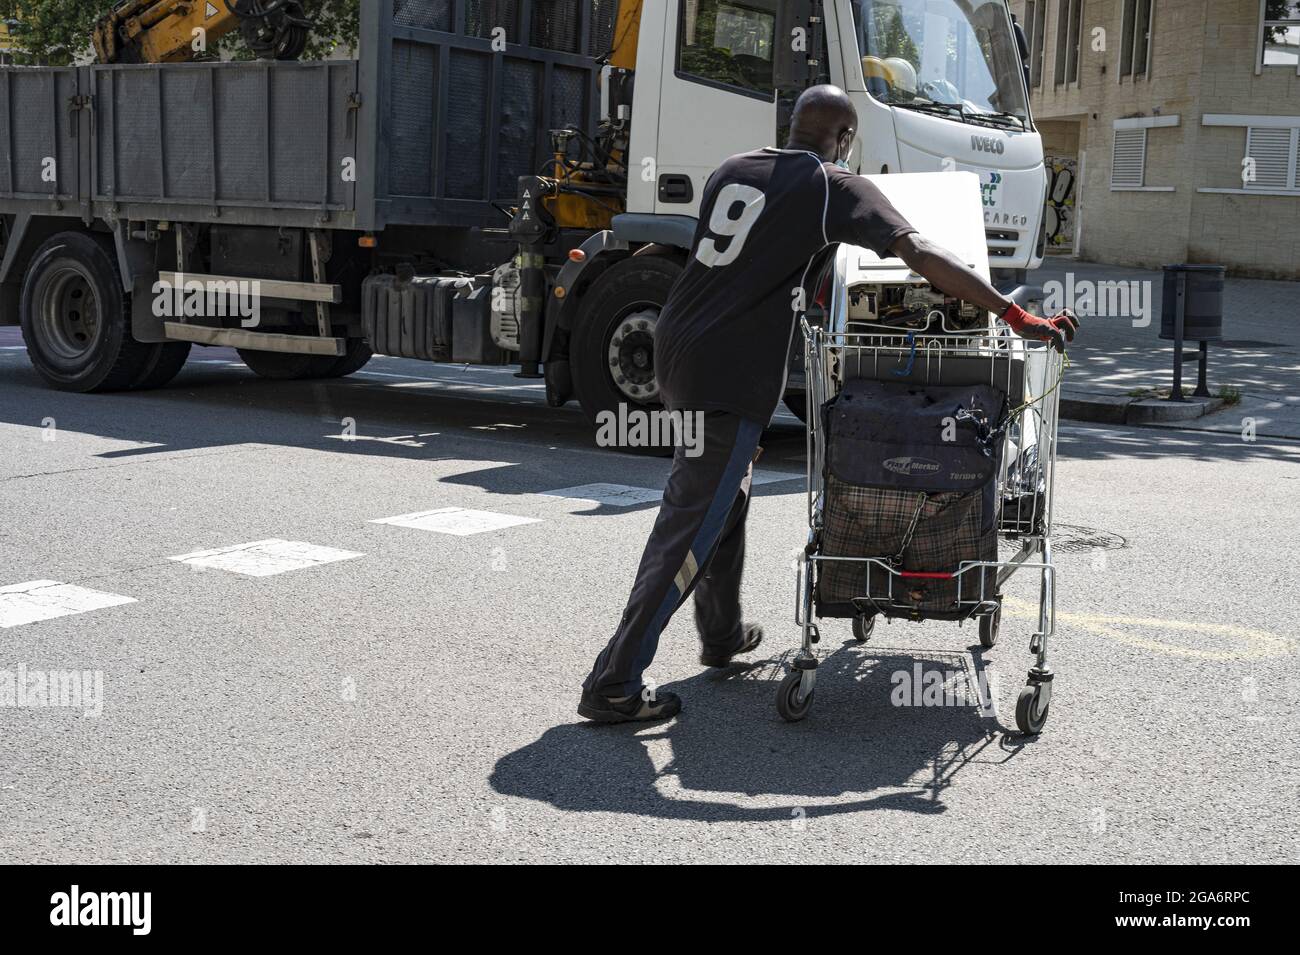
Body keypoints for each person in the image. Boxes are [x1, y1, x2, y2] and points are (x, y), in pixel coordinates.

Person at [578, 85, 1078, 723]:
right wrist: (1014, 314)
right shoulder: (833, 187)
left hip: (675, 344)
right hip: (727, 373)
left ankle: (723, 635)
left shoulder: (734, 168)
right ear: (845, 139)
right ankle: (614, 681)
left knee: (725, 493)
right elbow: (921, 254)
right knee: (689, 523)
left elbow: (751, 262)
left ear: (791, 125)